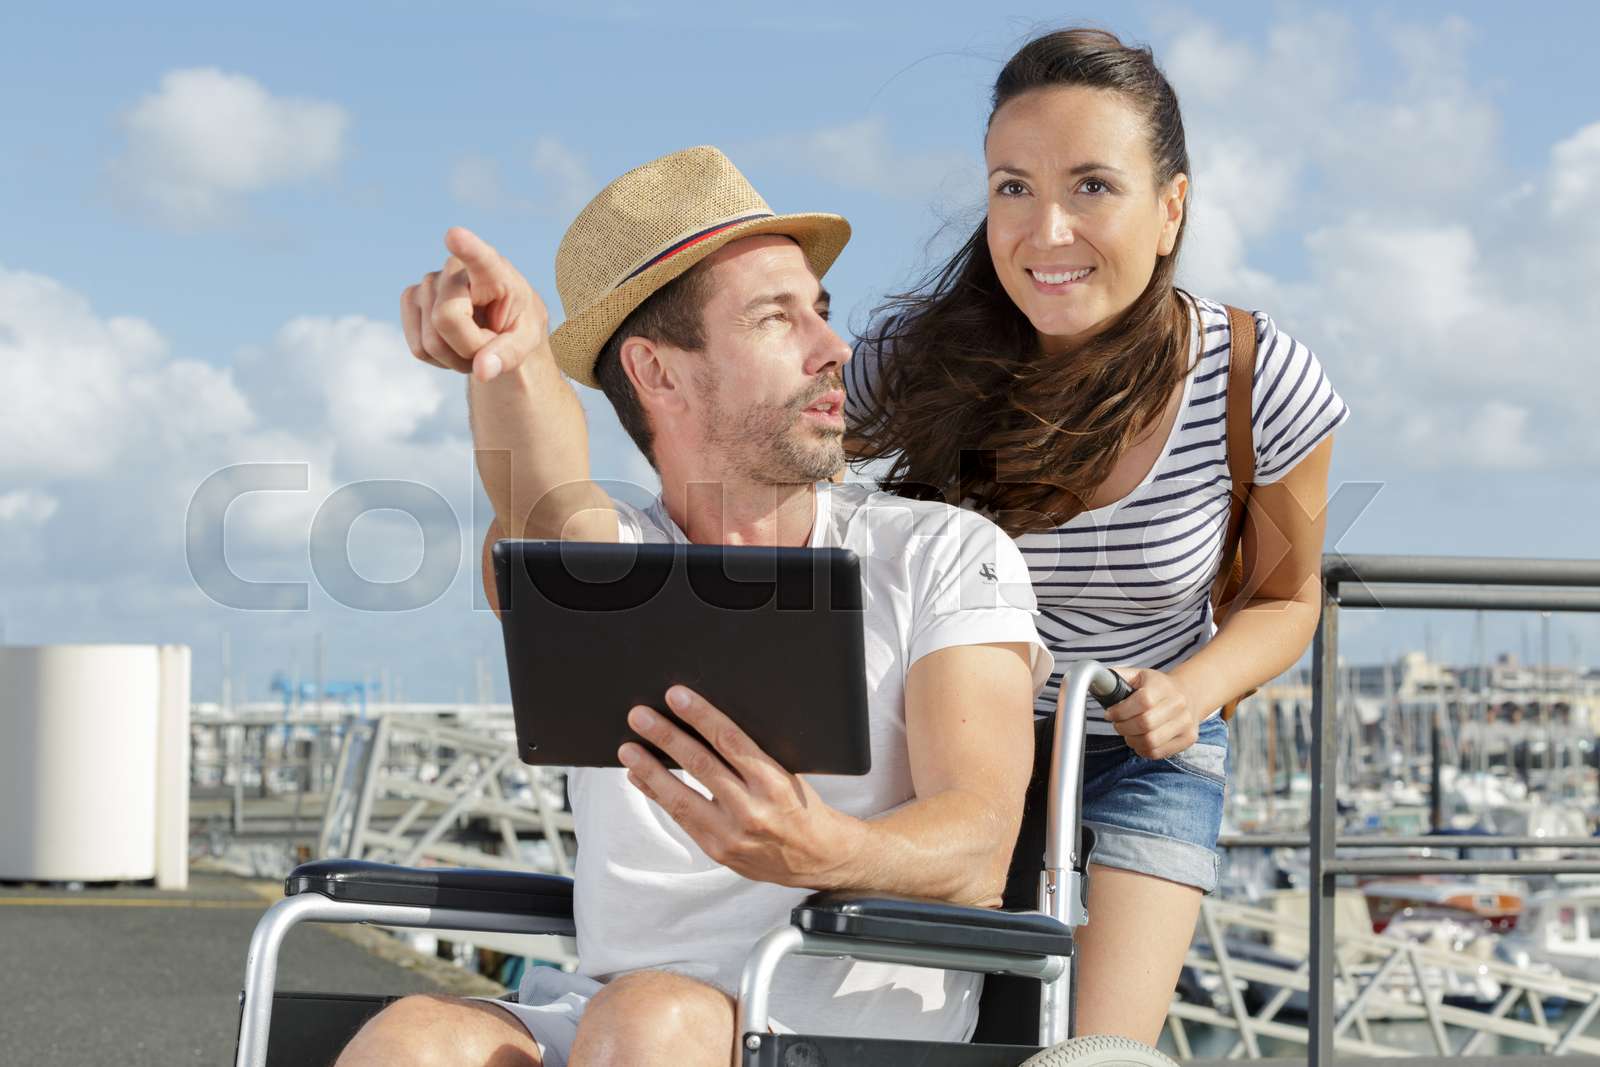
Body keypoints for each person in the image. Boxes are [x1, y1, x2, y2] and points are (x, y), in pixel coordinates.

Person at [337, 146, 1053, 1067]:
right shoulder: (609, 565)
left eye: (820, 310)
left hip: (843, 1042)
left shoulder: (943, 553)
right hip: (613, 1022)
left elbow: (980, 843)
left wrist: (822, 849)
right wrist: (512, 360)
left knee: (650, 1021)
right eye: (777, 318)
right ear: (658, 372)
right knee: (414, 1040)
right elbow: (544, 497)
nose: (833, 347)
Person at [843, 28, 1350, 1043]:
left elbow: (1285, 599)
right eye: (1013, 188)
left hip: (1138, 753)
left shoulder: (1256, 378)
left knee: (1098, 1053)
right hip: (943, 743)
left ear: (1171, 208)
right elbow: (765, 472)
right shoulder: (911, 358)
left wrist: (1191, 691)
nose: (1047, 230)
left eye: (1092, 186)